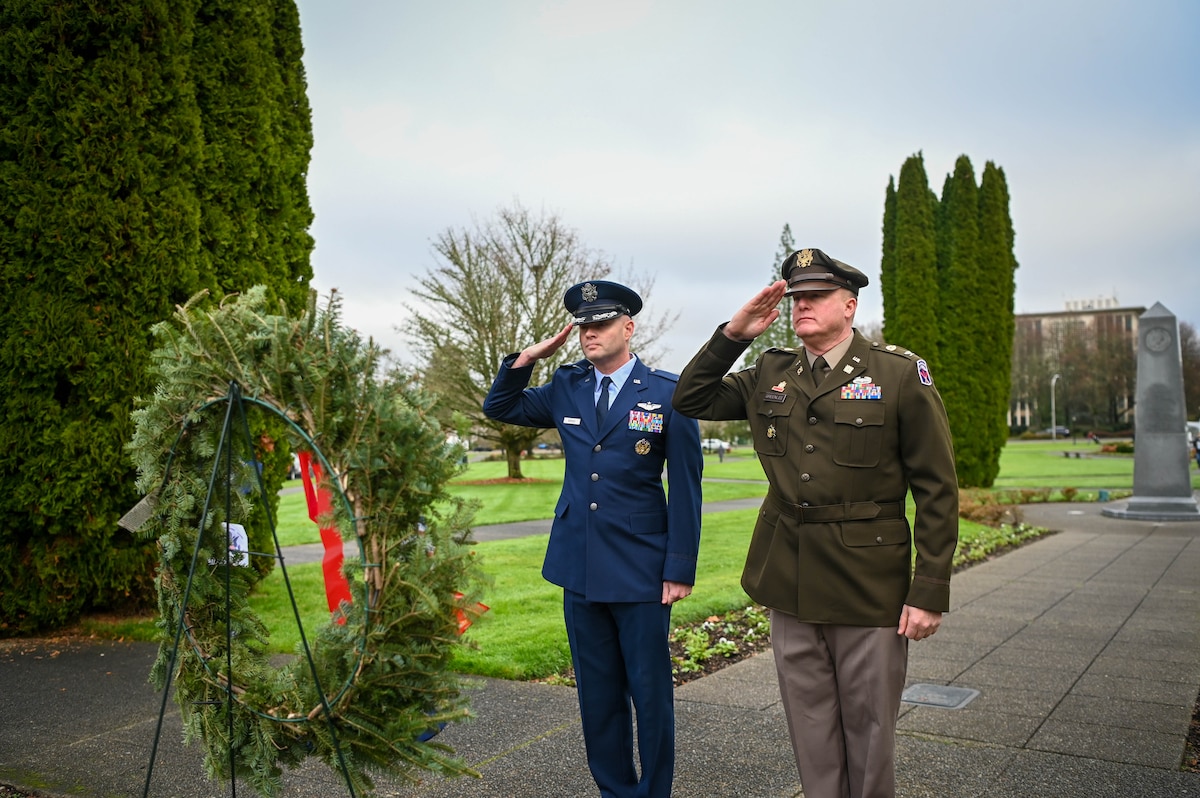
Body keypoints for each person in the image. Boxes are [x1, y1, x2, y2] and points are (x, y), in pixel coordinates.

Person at [671, 248, 959, 798]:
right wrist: (734, 335)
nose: (801, 305)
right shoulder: (772, 372)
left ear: (849, 305)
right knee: (809, 727)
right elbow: (690, 399)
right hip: (790, 573)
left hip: (868, 577)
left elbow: (937, 489)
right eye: (796, 297)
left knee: (870, 730)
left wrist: (929, 590)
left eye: (815, 296)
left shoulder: (897, 374)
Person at [483, 279, 703, 798]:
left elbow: (688, 488)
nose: (590, 334)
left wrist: (679, 566)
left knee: (649, 694)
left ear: (628, 327)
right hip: (578, 566)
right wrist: (530, 356)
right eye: (583, 326)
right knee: (597, 695)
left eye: (601, 323)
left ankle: (652, 792)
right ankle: (614, 791)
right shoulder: (567, 386)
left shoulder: (668, 393)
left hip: (643, 569)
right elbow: (501, 407)